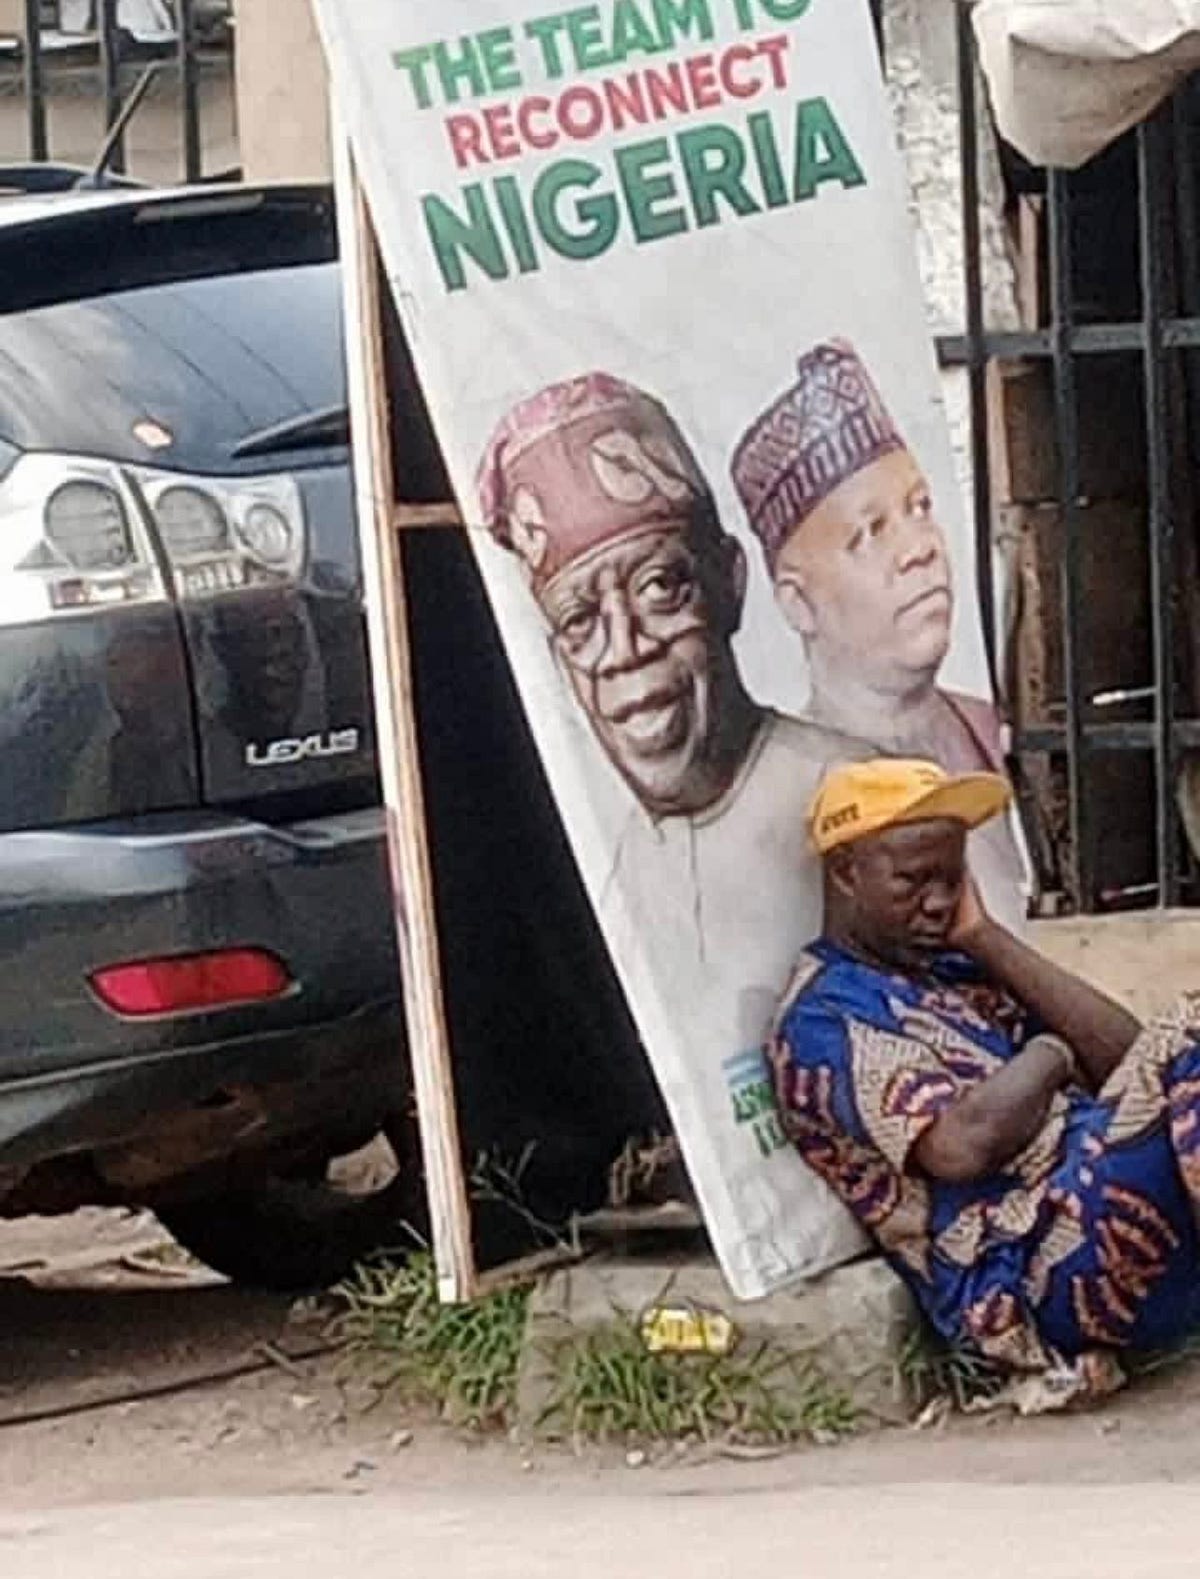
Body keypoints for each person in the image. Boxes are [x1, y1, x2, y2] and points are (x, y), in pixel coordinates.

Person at [477, 371, 872, 1290]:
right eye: (581, 619)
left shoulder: (847, 786)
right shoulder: (620, 853)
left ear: (729, 584)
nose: (626, 648)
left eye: (660, 587)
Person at [769, 756, 1200, 1398]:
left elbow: (1125, 1057)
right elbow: (960, 1147)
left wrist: (986, 937)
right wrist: (1050, 1055)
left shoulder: (951, 970)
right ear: (845, 874)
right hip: (1029, 1270)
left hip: (1109, 1219)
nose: (940, 900)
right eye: (914, 880)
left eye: (952, 876)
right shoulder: (825, 1019)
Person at [730, 339, 1027, 931]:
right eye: (870, 532)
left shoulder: (978, 723)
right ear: (796, 600)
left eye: (920, 507)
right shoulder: (786, 793)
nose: (918, 549)